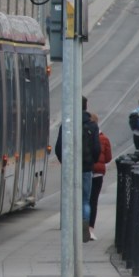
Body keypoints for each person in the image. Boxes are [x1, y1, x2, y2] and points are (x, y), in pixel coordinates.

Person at [54, 97, 101, 242]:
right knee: (85, 200)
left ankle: (70, 230)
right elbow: (96, 149)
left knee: (70, 199)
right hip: (86, 168)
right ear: (86, 107)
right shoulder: (93, 126)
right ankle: (84, 230)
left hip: (70, 169)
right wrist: (91, 162)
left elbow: (58, 148)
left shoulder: (66, 125)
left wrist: (65, 162)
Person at [88, 112, 113, 241]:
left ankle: (82, 225)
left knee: (84, 200)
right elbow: (108, 158)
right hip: (98, 174)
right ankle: (90, 228)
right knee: (93, 201)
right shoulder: (104, 139)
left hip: (85, 172)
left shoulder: (85, 136)